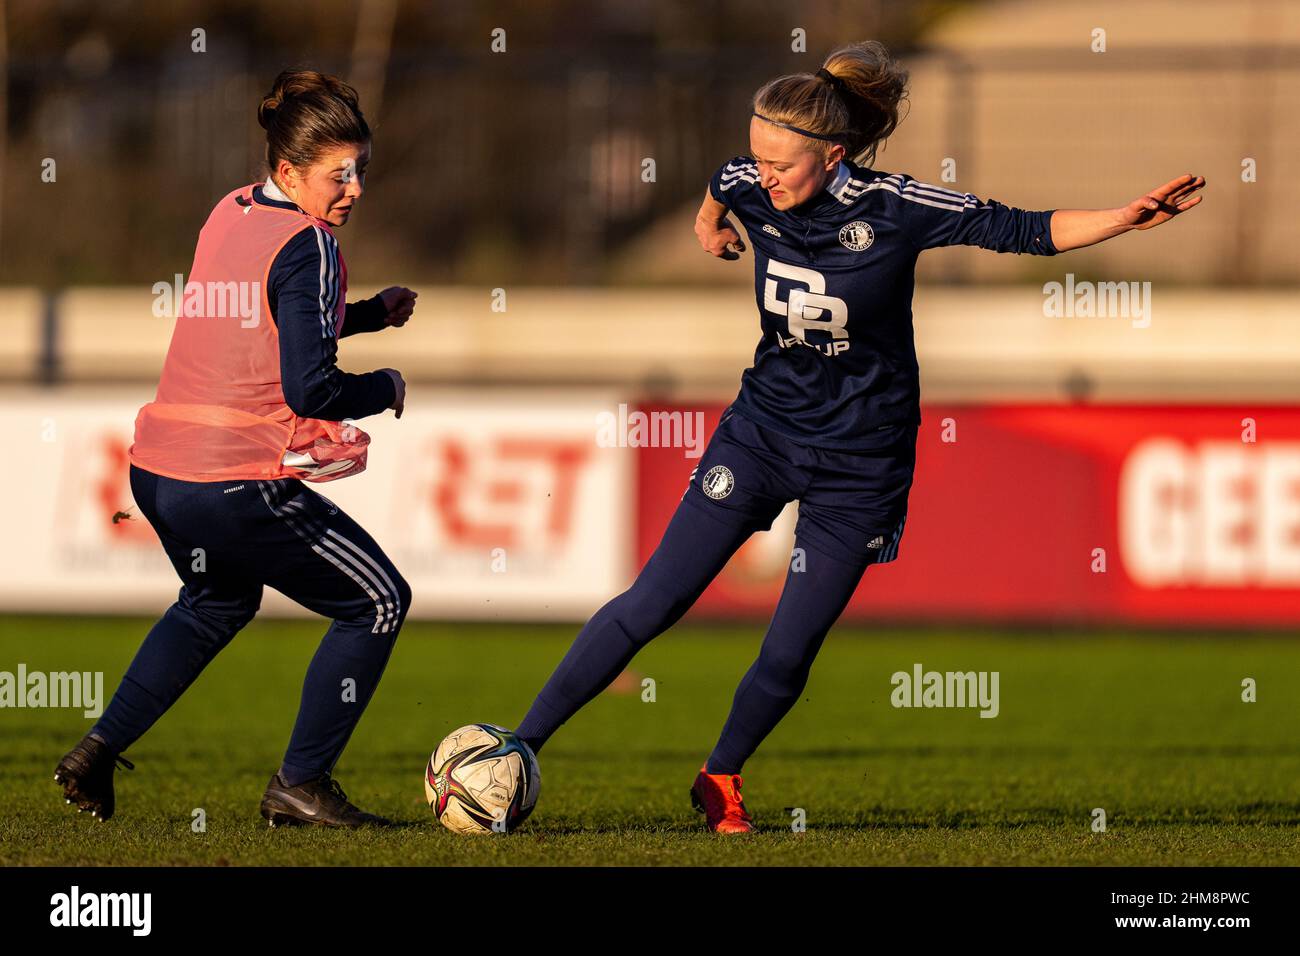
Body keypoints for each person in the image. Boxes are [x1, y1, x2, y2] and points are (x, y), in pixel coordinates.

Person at [513, 40, 1204, 833]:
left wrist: (1122, 218)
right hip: (761, 434)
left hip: (862, 460)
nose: (761, 174)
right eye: (756, 156)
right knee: (653, 600)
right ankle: (521, 747)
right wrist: (709, 227)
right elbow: (721, 187)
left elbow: (1022, 229)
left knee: (789, 650)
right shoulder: (749, 177)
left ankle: (721, 777)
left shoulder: (896, 207)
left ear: (834, 155)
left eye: (781, 163)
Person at [54, 70, 418, 828]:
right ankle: (302, 785)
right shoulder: (313, 245)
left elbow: (259, 317)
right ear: (290, 171)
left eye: (361, 171)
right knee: (378, 601)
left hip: (158, 469)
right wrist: (383, 387)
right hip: (232, 480)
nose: (353, 189)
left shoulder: (232, 210)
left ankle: (94, 753)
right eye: (337, 174)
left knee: (214, 603)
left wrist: (368, 316)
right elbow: (311, 390)